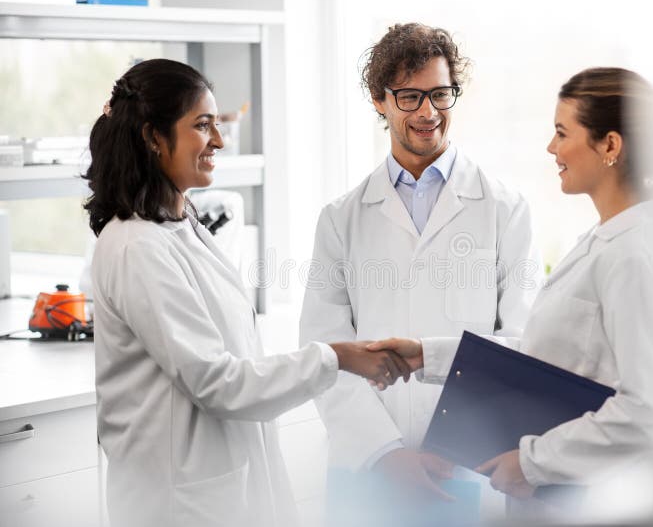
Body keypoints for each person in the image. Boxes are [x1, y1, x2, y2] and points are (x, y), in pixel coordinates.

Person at [84, 58, 411, 527]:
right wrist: (336, 357)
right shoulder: (137, 246)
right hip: (176, 501)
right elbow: (217, 382)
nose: (218, 140)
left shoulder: (181, 224)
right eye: (202, 125)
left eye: (217, 125)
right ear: (153, 137)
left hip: (223, 482)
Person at [368, 67, 653, 519]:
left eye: (562, 133)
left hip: (585, 503)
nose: (551, 148)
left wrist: (532, 463)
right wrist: (424, 356)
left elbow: (649, 409)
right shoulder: (603, 240)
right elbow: (541, 361)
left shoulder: (632, 257)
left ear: (610, 145)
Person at [299, 22, 541, 498]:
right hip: (366, 469)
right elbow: (323, 350)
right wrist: (384, 452)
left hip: (468, 468)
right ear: (379, 99)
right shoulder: (340, 218)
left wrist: (460, 445)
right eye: (410, 96)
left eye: (441, 94)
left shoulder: (505, 209)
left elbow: (524, 343)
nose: (429, 111)